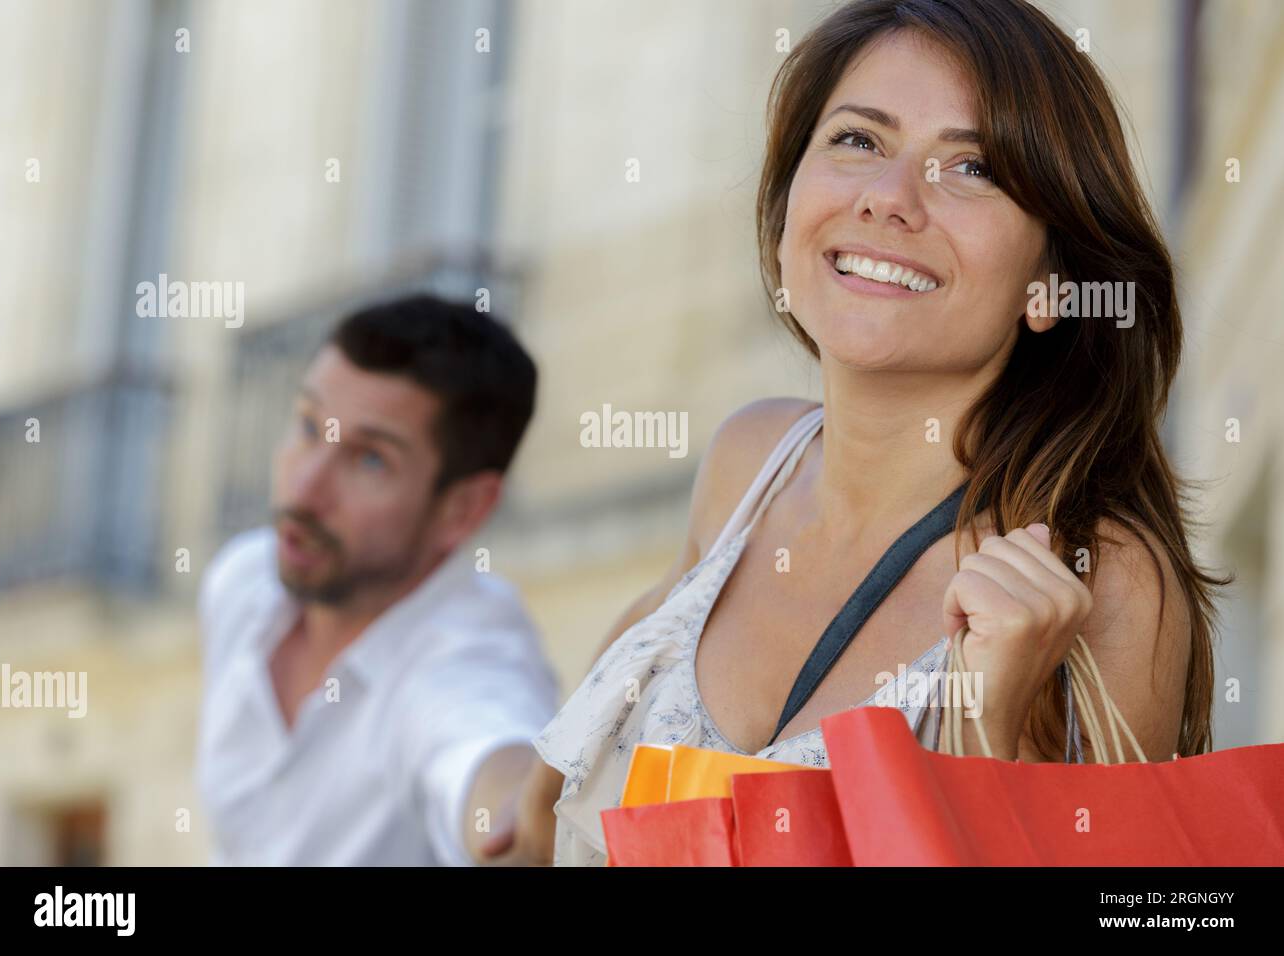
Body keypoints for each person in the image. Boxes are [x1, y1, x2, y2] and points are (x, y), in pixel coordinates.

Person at [510, 0, 1229, 866]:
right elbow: (540, 806)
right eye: (857, 141)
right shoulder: (747, 466)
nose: (890, 200)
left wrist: (982, 730)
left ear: (1050, 282)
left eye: (971, 167)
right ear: (786, 213)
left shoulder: (1100, 577)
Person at [195, 294, 558, 865]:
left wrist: (523, 815)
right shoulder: (242, 583)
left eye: (370, 460)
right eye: (309, 426)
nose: (305, 489)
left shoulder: (466, 653)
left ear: (463, 509)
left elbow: (486, 747)